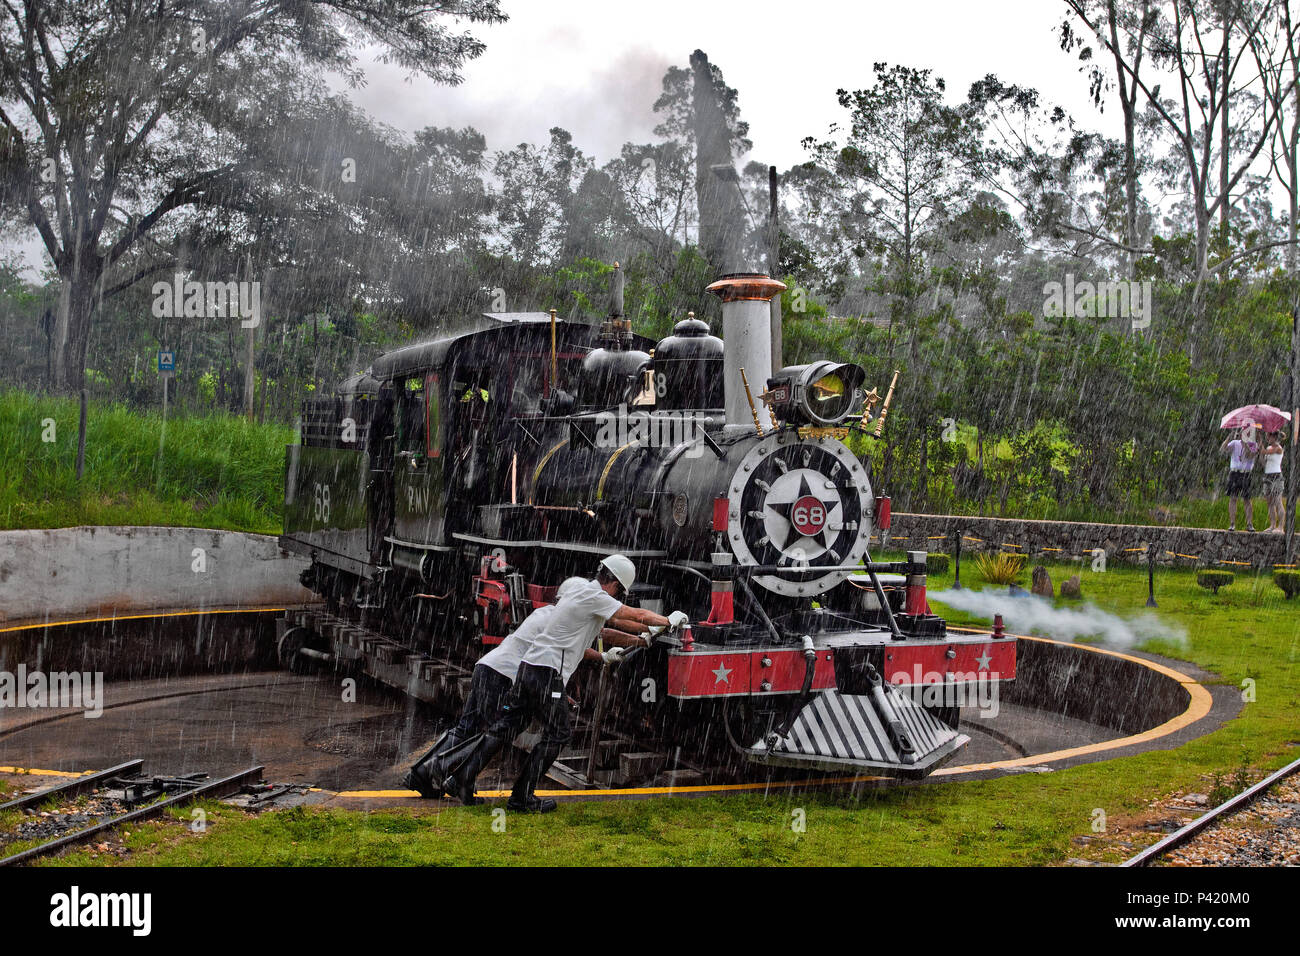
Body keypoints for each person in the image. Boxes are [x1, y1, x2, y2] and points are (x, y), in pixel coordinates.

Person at [444, 554, 687, 813]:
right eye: (620, 591)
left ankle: (461, 778)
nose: (619, 597)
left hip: (530, 668)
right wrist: (667, 621)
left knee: (505, 727)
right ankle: (521, 797)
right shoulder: (595, 596)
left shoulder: (583, 593)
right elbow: (633, 614)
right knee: (559, 734)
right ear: (614, 584)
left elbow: (608, 628)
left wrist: (642, 639)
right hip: (547, 673)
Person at [402, 590, 650, 799]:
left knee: (468, 728)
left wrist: (603, 656)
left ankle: (420, 775)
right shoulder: (558, 622)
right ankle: (445, 772)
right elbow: (601, 634)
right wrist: (640, 639)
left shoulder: (544, 615)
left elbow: (579, 644)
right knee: (497, 732)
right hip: (504, 676)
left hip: (488, 666)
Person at [1220, 425, 1260, 531]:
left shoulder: (1253, 445)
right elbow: (1224, 448)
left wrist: (1246, 443)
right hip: (1234, 473)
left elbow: (1249, 455)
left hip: (1245, 474)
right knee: (1233, 498)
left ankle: (1249, 523)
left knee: (1247, 499)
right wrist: (1230, 436)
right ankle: (1232, 523)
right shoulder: (1234, 443)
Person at [1262, 431, 1285, 533]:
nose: (1267, 438)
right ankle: (1272, 525)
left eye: (1268, 436)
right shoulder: (1268, 448)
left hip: (1276, 476)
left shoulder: (1278, 448)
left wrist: (1259, 443)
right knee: (1270, 503)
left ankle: (1280, 527)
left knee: (1278, 501)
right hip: (1267, 475)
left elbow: (1265, 452)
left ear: (1274, 437)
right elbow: (1263, 463)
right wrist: (1260, 455)